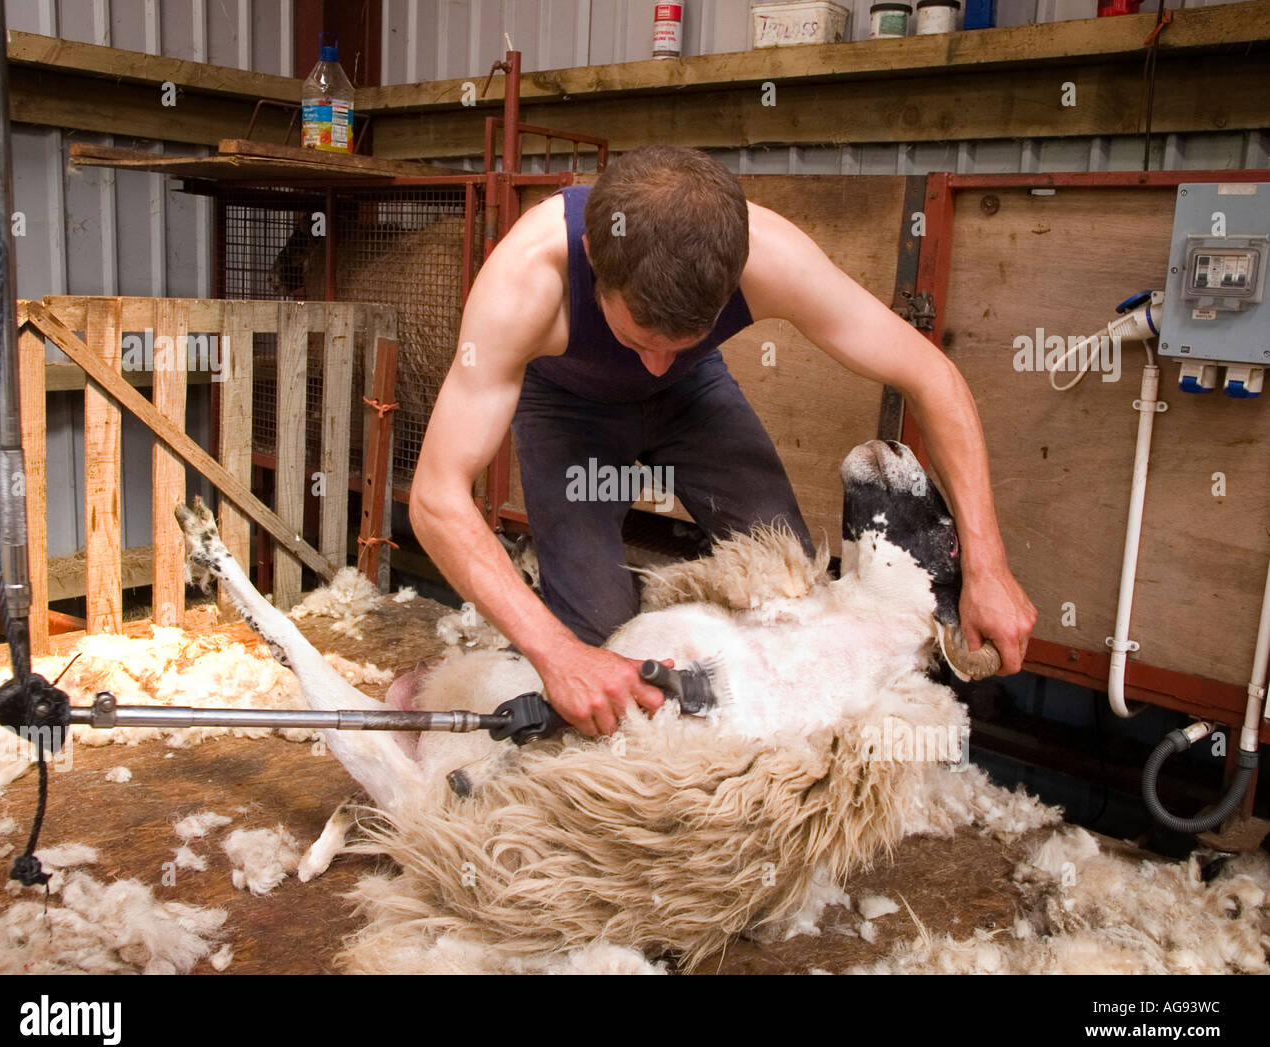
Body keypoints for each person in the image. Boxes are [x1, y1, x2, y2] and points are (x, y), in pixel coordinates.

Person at [410, 144, 1036, 737]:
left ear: (735, 277)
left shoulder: (772, 257)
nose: (649, 365)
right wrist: (557, 654)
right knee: (603, 642)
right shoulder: (524, 282)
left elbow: (933, 377)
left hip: (692, 393)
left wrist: (989, 566)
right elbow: (436, 499)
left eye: (677, 339)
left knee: (787, 581)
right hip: (568, 409)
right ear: (594, 259)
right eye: (637, 340)